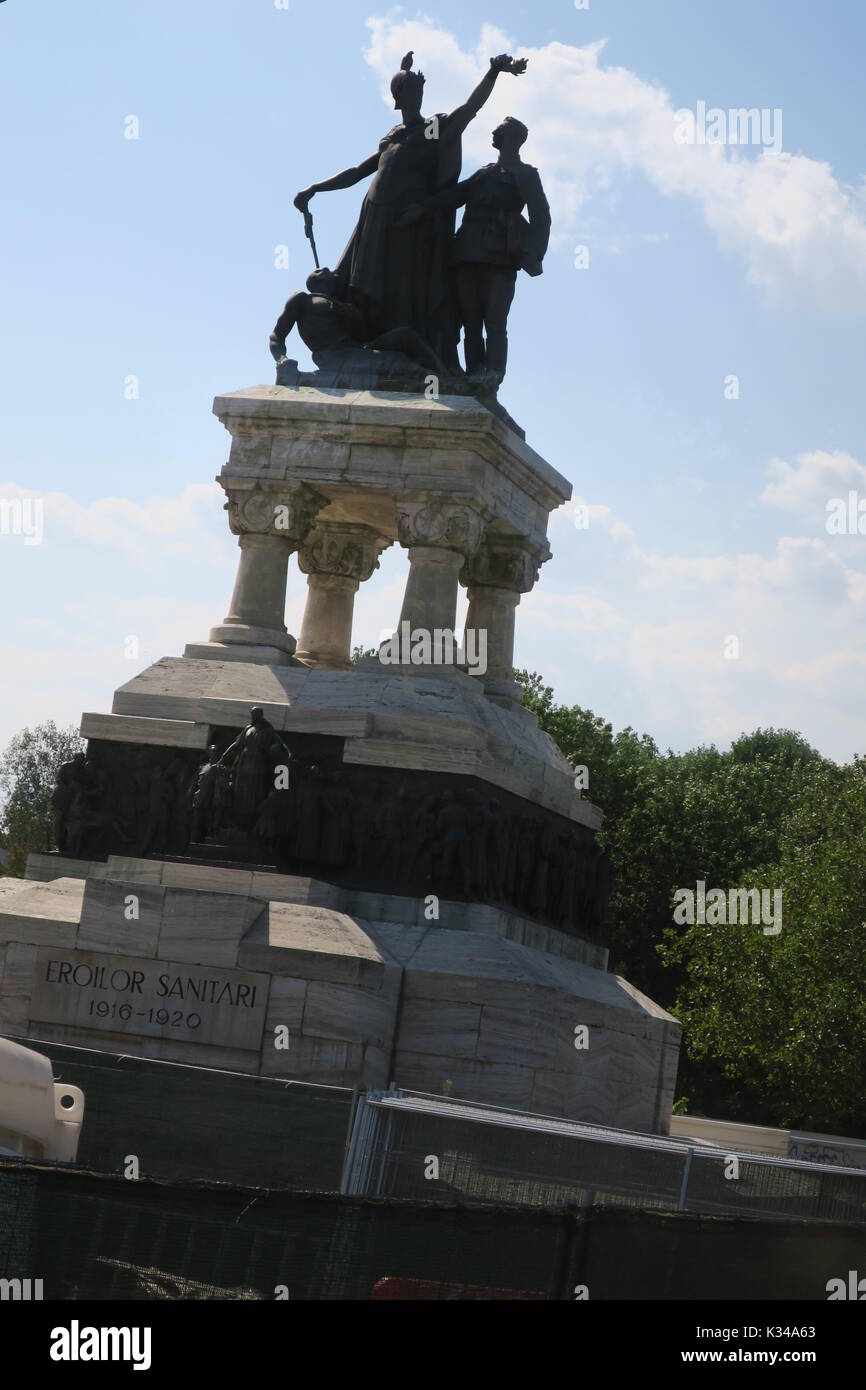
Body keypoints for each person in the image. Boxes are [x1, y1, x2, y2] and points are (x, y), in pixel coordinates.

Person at [293, 52, 527, 366]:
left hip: (410, 221)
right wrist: (315, 189)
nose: (417, 96)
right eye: (410, 91)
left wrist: (493, 72)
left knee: (405, 286)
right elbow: (356, 172)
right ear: (398, 98)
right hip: (375, 219)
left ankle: (411, 355)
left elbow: (469, 111)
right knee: (365, 284)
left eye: (419, 91)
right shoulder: (392, 138)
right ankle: (368, 349)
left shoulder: (431, 130)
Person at [401, 116, 550, 382]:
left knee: (494, 321)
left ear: (513, 138)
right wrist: (423, 206)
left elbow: (541, 216)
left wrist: (534, 254)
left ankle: (492, 374)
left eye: (500, 130)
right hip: (467, 253)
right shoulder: (484, 173)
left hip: (500, 257)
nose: (494, 132)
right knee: (470, 321)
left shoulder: (526, 174)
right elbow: (455, 196)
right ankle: (474, 372)